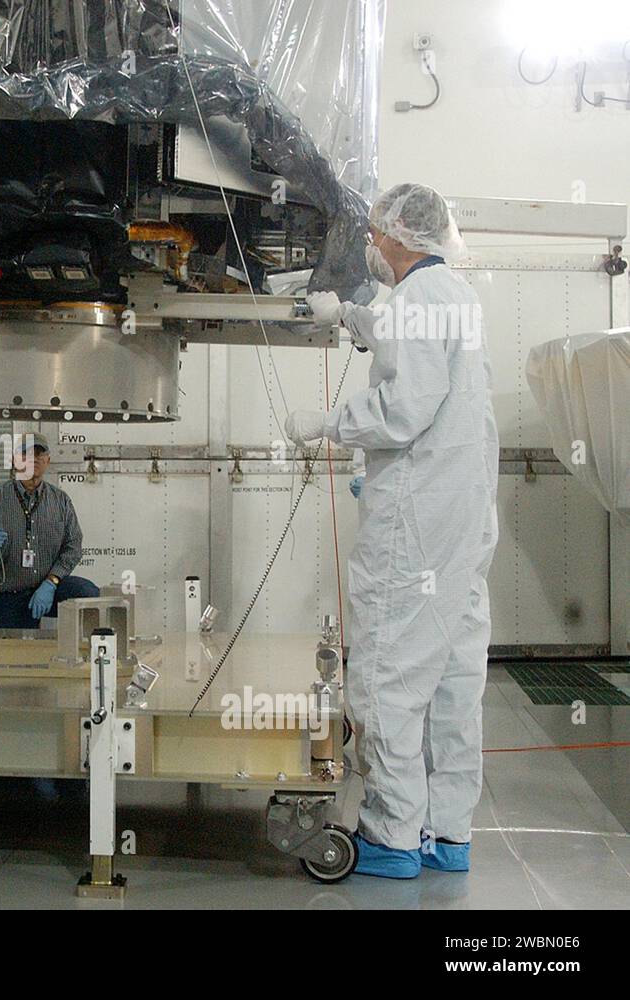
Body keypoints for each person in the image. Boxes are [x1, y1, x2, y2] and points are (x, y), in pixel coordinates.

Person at [287, 183, 498, 878]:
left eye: (377, 234)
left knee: (384, 677)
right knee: (451, 680)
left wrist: (328, 425)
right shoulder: (454, 299)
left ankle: (391, 836)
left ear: (402, 236)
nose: (373, 245)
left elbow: (402, 411)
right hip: (463, 520)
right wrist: (349, 314)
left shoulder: (415, 304)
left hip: (417, 520)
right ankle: (447, 832)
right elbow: (410, 344)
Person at [0, 432, 98, 628]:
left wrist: (51, 582)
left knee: (88, 592)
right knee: (18, 652)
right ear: (14, 459)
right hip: (9, 595)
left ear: (48, 460)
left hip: (47, 587)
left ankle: (89, 649)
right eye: (25, 453)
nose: (33, 459)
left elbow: (73, 546)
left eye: (39, 454)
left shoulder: (60, 501)